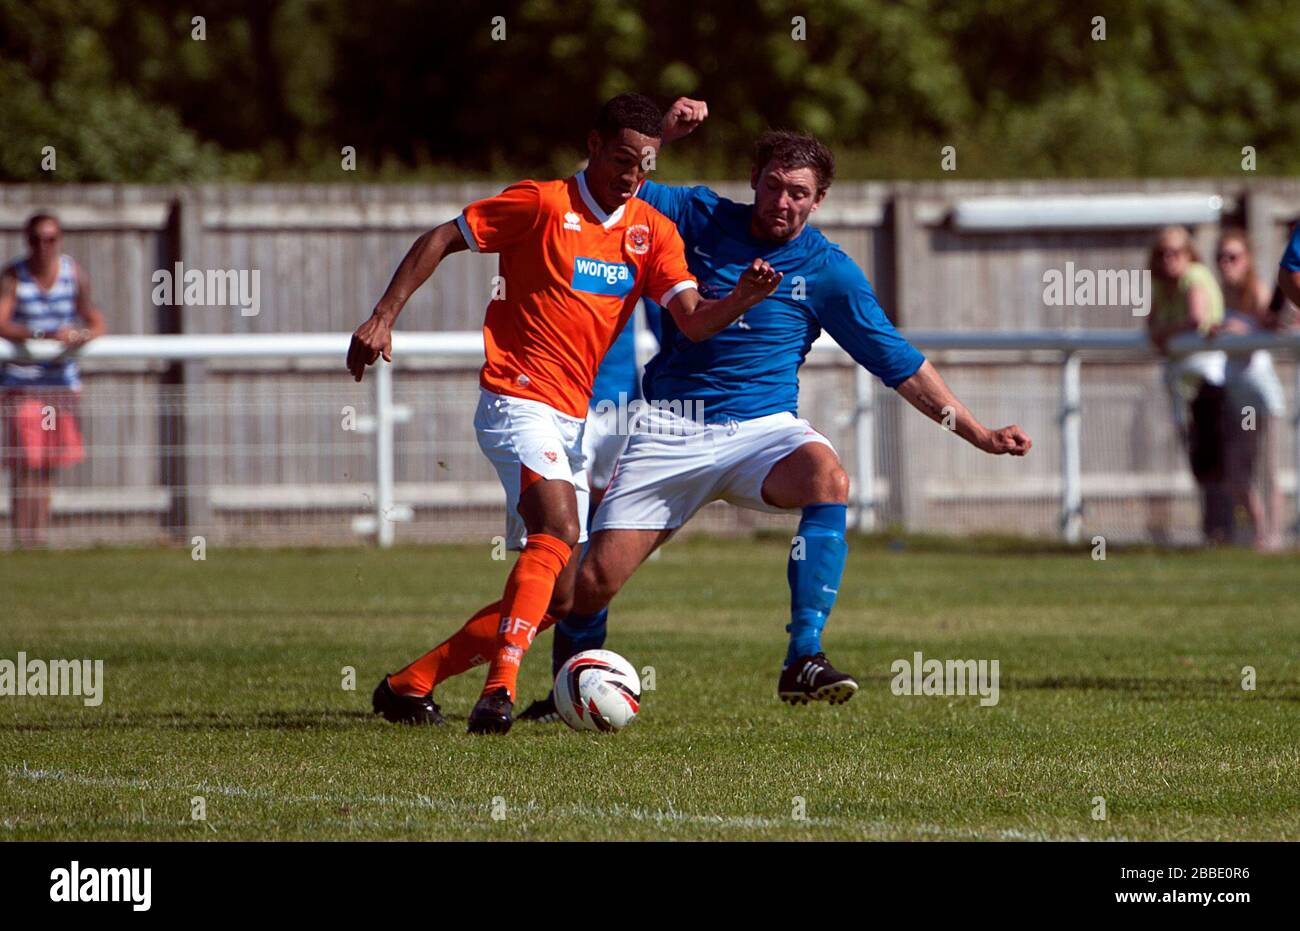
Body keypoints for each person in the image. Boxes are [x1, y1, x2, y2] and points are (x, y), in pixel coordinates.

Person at [386, 99, 1031, 724]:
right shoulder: (694, 215)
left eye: (799, 193)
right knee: (581, 590)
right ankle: (559, 694)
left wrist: (976, 432)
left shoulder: (830, 271)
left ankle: (803, 656)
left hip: (763, 430)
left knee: (828, 479)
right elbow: (608, 186)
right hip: (672, 427)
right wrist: (662, 131)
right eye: (774, 186)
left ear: (819, 199)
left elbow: (899, 363)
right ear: (752, 182)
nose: (783, 202)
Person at [348, 93, 782, 734]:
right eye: (623, 159)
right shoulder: (542, 203)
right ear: (594, 146)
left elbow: (690, 321)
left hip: (573, 418)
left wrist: (741, 297)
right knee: (554, 528)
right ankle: (499, 691)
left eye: (646, 164)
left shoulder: (652, 232)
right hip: (515, 398)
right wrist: (383, 316)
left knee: (561, 594)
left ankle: (409, 685)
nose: (633, 175)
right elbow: (444, 236)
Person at [0, 213, 106, 548]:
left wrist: (81, 335)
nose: (44, 246)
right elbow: (1, 322)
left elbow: (95, 319)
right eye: (37, 239)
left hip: (60, 385)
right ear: (27, 241)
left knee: (47, 463)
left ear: (59, 240)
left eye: (51, 239)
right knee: (26, 461)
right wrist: (40, 334)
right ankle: (23, 537)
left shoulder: (73, 274)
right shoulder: (14, 277)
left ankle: (37, 539)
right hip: (23, 382)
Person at [1146, 225, 1229, 542]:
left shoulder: (1194, 276)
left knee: (1215, 455)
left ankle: (1225, 529)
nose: (1169, 259)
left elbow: (1196, 320)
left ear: (1189, 253)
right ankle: (1215, 529)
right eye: (1163, 253)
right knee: (1199, 457)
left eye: (1175, 252)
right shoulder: (1161, 284)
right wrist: (1167, 333)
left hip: (1209, 379)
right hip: (1183, 382)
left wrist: (1167, 333)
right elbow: (1152, 327)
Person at [1214, 228, 1285, 550]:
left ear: (1247, 260)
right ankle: (1259, 529)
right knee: (1237, 472)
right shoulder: (1220, 295)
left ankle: (1273, 536)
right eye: (1221, 257)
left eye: (1234, 257)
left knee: (1269, 469)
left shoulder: (1257, 291)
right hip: (1235, 391)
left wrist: (1243, 328)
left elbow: (1281, 325)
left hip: (1260, 391)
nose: (1227, 263)